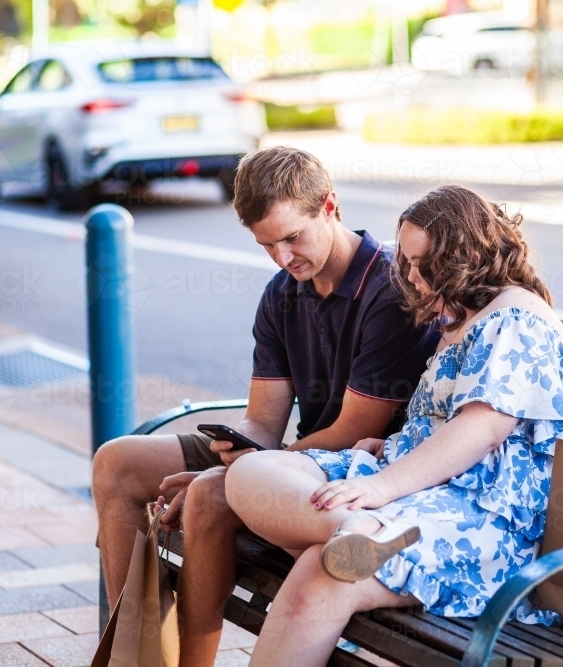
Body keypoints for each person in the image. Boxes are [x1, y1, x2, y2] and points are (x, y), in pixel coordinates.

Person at [91, 146, 439, 667]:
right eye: (266, 245)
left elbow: (352, 429)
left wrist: (246, 469)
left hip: (360, 468)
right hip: (297, 455)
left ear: (328, 205)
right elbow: (264, 418)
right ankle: (137, 659)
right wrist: (241, 446)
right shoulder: (282, 293)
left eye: (292, 238)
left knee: (210, 492)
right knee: (117, 463)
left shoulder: (389, 289)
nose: (282, 258)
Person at [223, 184, 563, 667]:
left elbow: (480, 429)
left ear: (464, 254)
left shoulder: (517, 318)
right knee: (251, 474)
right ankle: (360, 530)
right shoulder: (467, 317)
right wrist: (395, 447)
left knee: (327, 567)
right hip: (413, 493)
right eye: (407, 262)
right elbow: (444, 421)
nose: (411, 276)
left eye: (422, 263)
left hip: (477, 517)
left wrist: (382, 488)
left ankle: (367, 532)